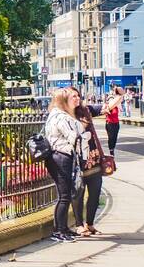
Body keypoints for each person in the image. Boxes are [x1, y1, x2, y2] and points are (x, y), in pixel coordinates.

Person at [42, 88, 81, 242]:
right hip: (61, 157)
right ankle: (58, 230)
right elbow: (73, 137)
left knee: (66, 194)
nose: (76, 99)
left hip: (59, 157)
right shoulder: (61, 117)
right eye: (71, 97)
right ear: (63, 101)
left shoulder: (54, 114)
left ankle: (64, 228)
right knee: (64, 196)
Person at [69, 89, 108, 237]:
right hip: (77, 161)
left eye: (78, 95)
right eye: (73, 96)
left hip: (93, 159)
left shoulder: (86, 110)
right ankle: (79, 225)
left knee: (95, 193)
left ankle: (90, 224)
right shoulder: (65, 115)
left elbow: (106, 107)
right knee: (78, 193)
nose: (77, 98)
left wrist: (119, 95)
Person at [104, 86, 124, 153]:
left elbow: (120, 108)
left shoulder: (117, 102)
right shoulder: (109, 105)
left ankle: (112, 149)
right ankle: (111, 150)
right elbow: (105, 109)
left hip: (116, 123)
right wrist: (107, 108)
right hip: (110, 123)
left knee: (115, 138)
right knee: (111, 138)